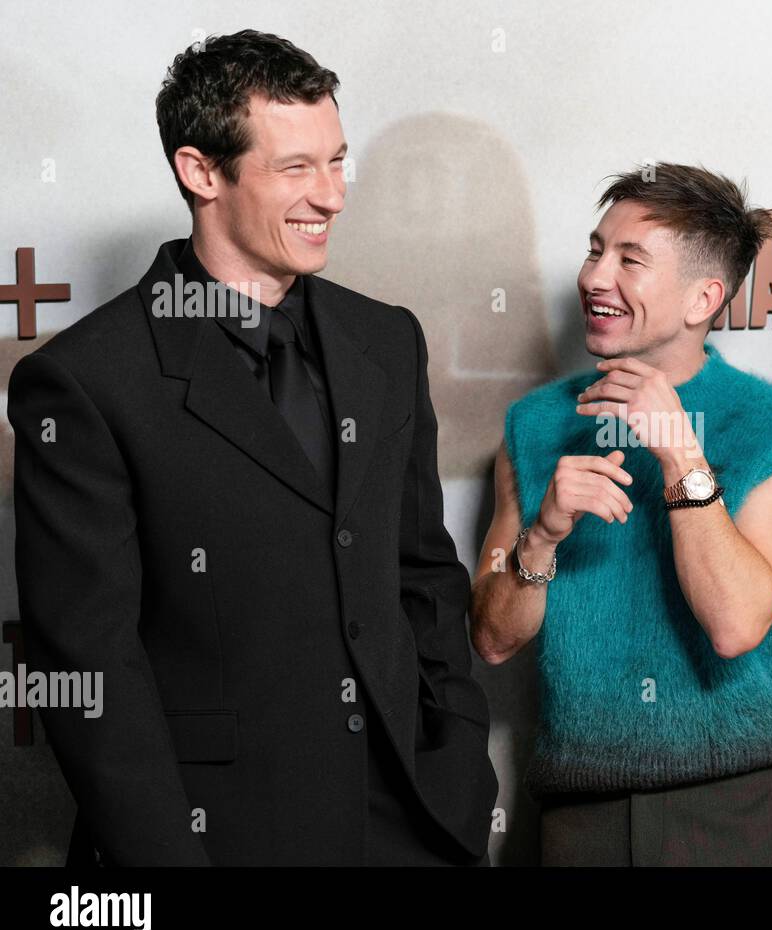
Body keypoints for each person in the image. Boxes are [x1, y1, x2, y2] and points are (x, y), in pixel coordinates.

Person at [9, 29, 497, 865]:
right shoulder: (87, 382)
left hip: (414, 829)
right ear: (201, 172)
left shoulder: (385, 341)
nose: (332, 196)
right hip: (226, 837)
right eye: (296, 168)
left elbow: (422, 574)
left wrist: (457, 774)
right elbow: (91, 668)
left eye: (337, 161)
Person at [470, 163, 772, 865]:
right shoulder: (533, 425)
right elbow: (491, 640)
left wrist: (679, 454)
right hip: (576, 819)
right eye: (594, 251)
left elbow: (735, 626)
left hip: (734, 814)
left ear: (704, 298)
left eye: (629, 260)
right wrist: (542, 536)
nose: (594, 277)